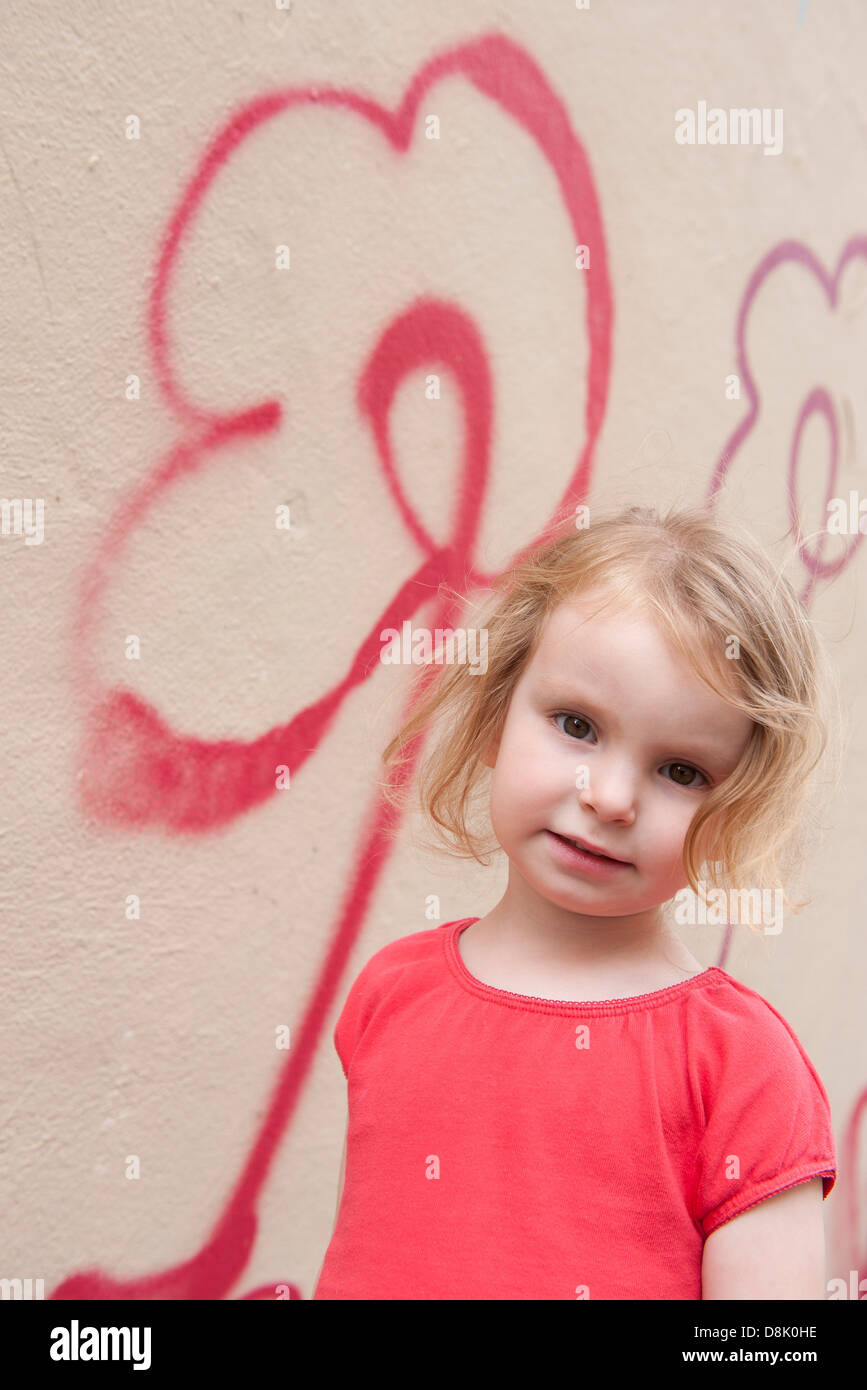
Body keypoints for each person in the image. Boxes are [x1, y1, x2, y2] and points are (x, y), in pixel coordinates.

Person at [313, 502, 841, 1300]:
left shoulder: (738, 1067)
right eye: (576, 724)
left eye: (681, 771)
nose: (612, 798)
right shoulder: (390, 992)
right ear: (496, 713)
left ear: (734, 807)